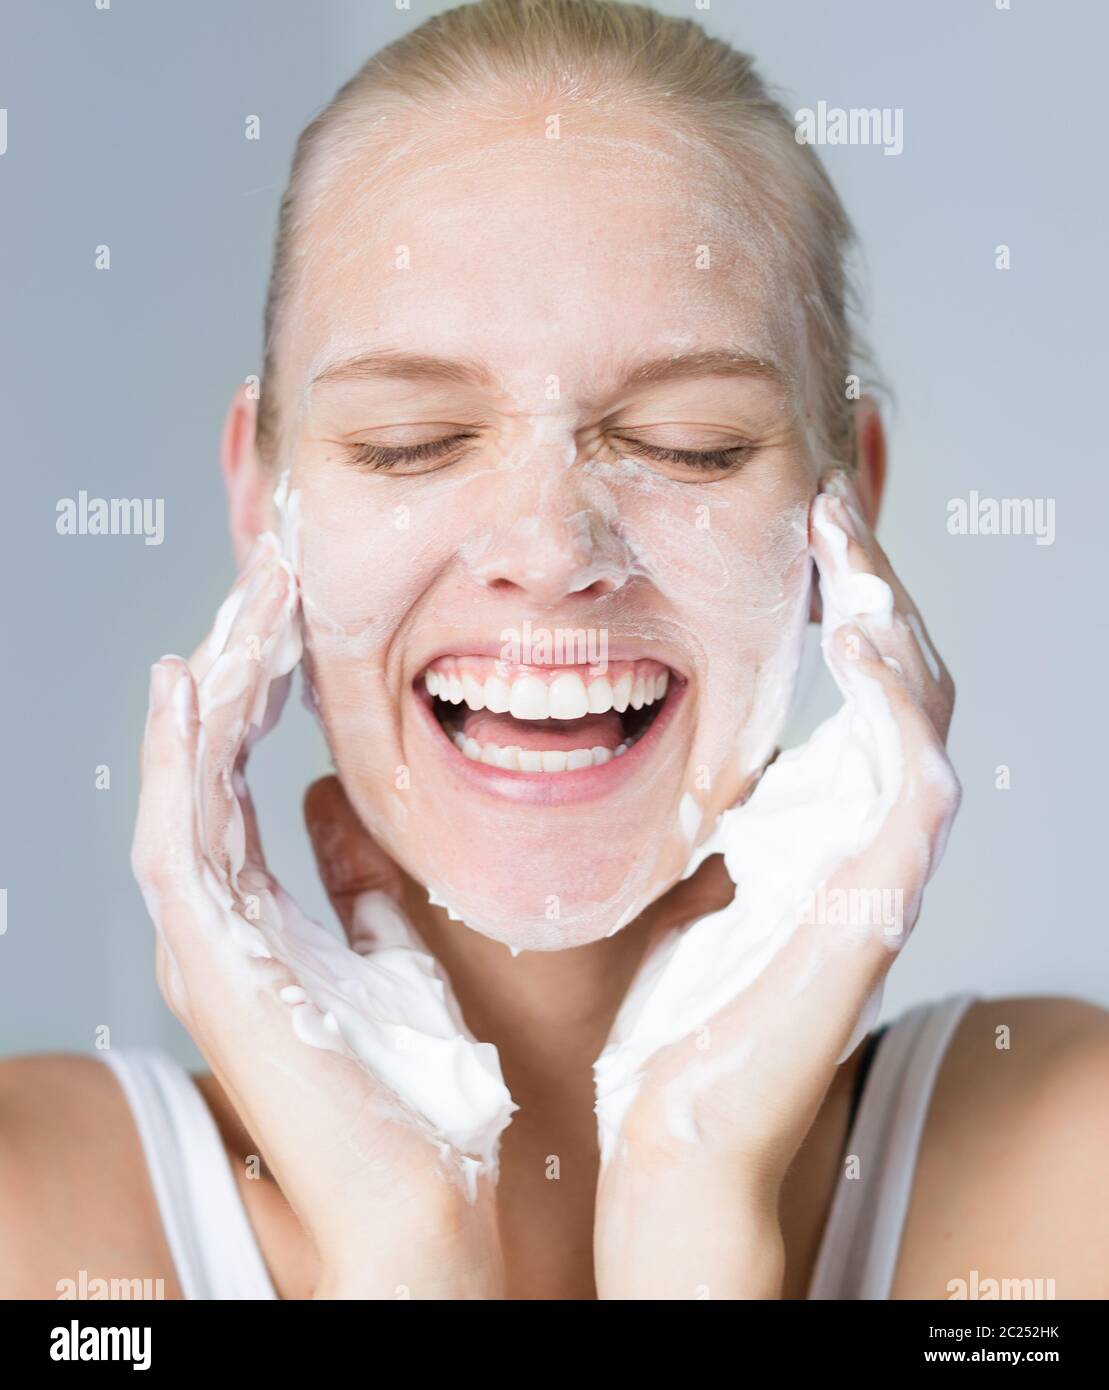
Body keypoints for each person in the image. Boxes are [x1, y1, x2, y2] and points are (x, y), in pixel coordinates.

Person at [2, 0, 1106, 1301]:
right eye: (408, 439)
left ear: (844, 513)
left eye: (688, 440)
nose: (547, 544)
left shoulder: (1066, 1180)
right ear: (263, 503)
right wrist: (400, 1257)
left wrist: (694, 1199)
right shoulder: (40, 1235)